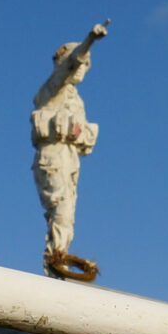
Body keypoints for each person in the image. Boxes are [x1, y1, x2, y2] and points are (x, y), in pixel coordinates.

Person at [30, 19, 108, 275]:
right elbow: (68, 68)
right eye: (80, 62)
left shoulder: (76, 101)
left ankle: (58, 257)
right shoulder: (52, 91)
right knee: (61, 209)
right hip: (52, 157)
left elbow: (84, 139)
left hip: (69, 158)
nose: (82, 67)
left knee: (67, 216)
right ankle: (55, 261)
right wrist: (90, 41)